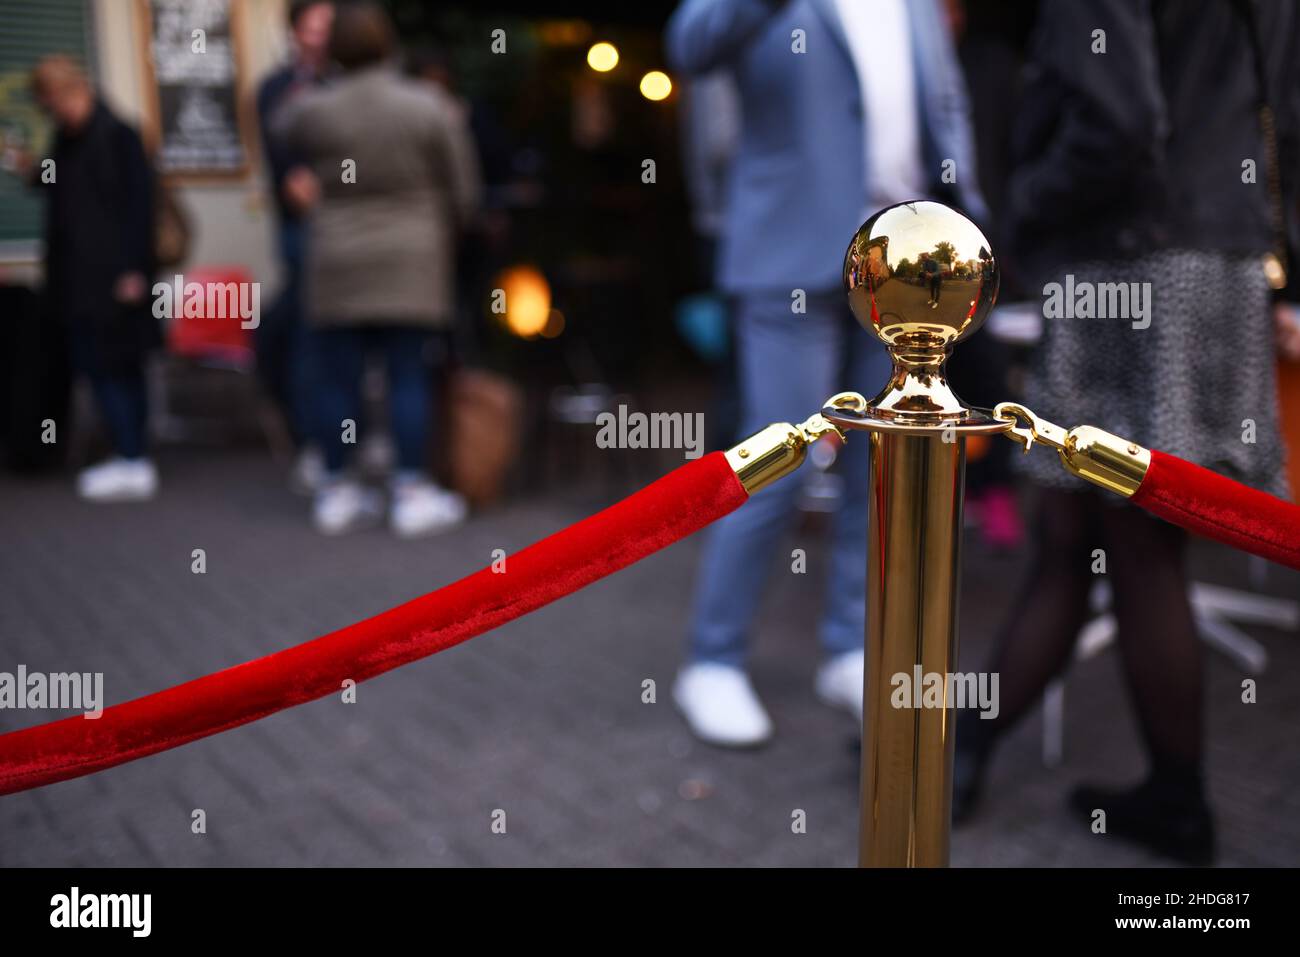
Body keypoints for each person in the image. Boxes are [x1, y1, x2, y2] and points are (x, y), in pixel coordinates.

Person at [953, 0, 1299, 865]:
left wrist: (1020, 217)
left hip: (1130, 266)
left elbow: (1117, 122)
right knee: (1081, 534)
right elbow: (1287, 114)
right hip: (1223, 264)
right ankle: (966, 743)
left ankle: (1179, 801)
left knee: (1130, 546)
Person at [665, 0, 987, 746]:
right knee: (771, 459)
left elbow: (944, 98)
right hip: (790, 249)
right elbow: (691, 43)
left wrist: (963, 198)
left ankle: (849, 645)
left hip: (905, 259)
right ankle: (711, 657)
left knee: (880, 467)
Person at [273, 1, 480, 537]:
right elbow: (464, 192)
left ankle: (337, 490)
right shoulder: (427, 106)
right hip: (411, 262)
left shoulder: (317, 108)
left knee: (338, 382)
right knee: (408, 377)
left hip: (337, 259)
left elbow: (280, 127)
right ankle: (411, 491)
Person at [29, 56, 158, 502]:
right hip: (78, 279)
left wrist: (136, 270)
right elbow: (56, 190)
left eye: (53, 101)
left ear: (70, 91)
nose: (53, 111)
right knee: (104, 366)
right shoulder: (66, 141)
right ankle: (131, 454)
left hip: (113, 278)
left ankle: (131, 456)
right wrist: (31, 168)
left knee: (114, 367)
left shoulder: (118, 135)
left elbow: (142, 209)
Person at [255, 0, 334, 492]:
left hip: (350, 235)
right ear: (294, 32)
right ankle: (316, 444)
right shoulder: (276, 90)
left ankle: (347, 441)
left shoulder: (346, 84)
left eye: (329, 27)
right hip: (306, 234)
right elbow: (293, 184)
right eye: (313, 26)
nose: (321, 36)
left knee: (343, 341)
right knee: (304, 336)